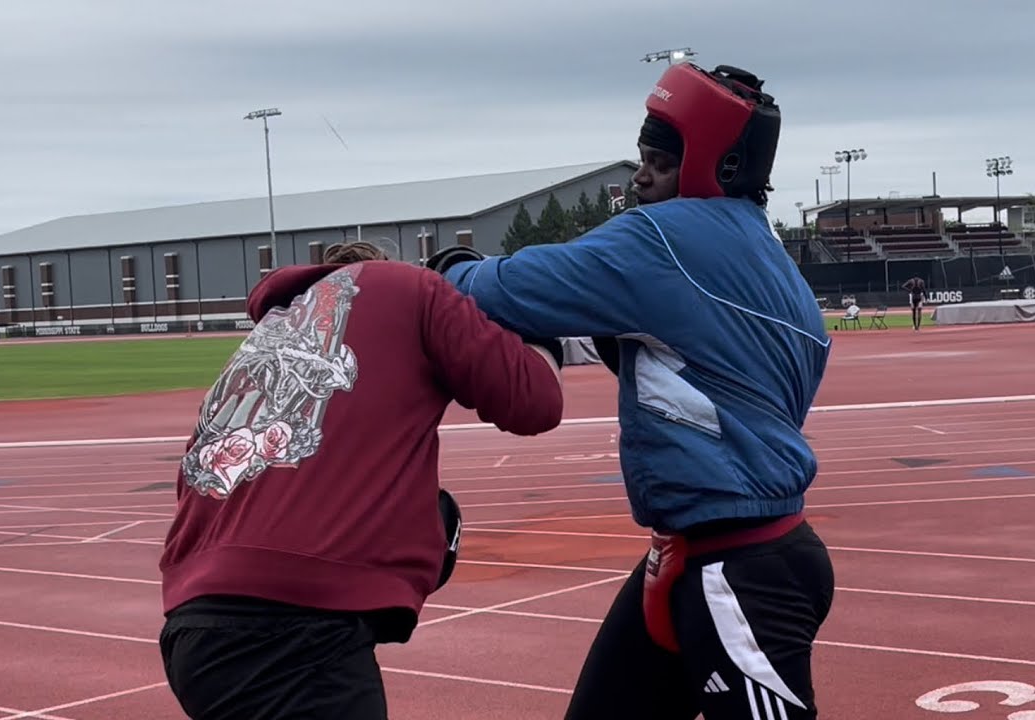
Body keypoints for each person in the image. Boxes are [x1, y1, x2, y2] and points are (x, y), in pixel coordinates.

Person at [426, 61, 835, 719]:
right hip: (703, 553)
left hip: (737, 569)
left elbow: (500, 291)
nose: (641, 175)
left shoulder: (665, 239)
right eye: (642, 157)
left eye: (661, 162)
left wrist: (446, 268)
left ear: (716, 168)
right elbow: (712, 386)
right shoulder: (772, 267)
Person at [156, 241, 566, 720]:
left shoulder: (274, 329)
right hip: (293, 633)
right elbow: (535, 402)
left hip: (195, 626)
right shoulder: (412, 288)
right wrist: (541, 331)